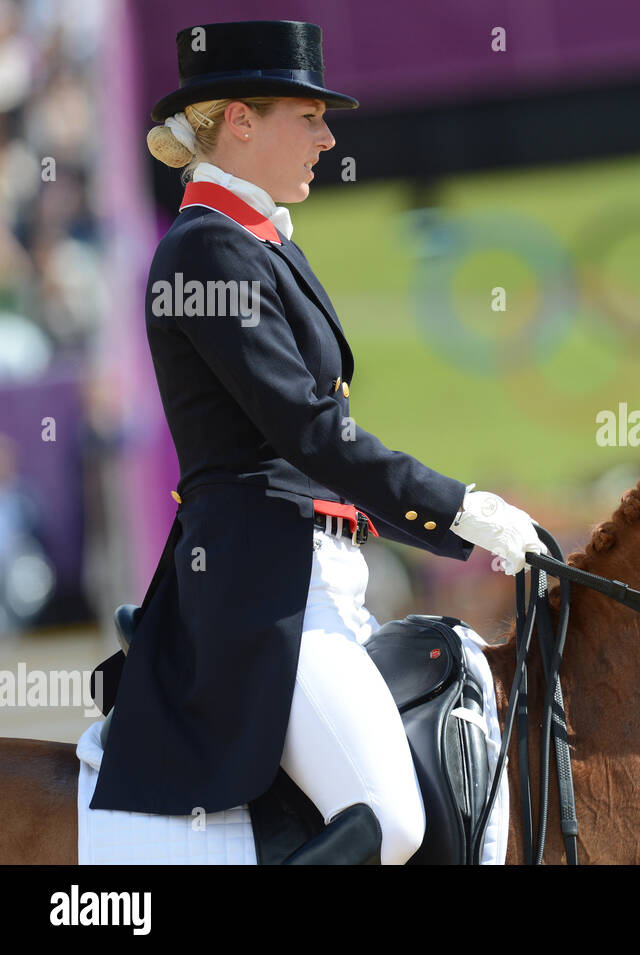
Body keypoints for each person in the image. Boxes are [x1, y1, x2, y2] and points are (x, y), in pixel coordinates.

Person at [89, 20, 542, 865]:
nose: (329, 137)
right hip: (264, 587)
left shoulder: (258, 247)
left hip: (320, 577)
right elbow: (306, 429)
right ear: (239, 120)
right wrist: (463, 511)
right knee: (391, 820)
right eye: (309, 117)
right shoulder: (204, 254)